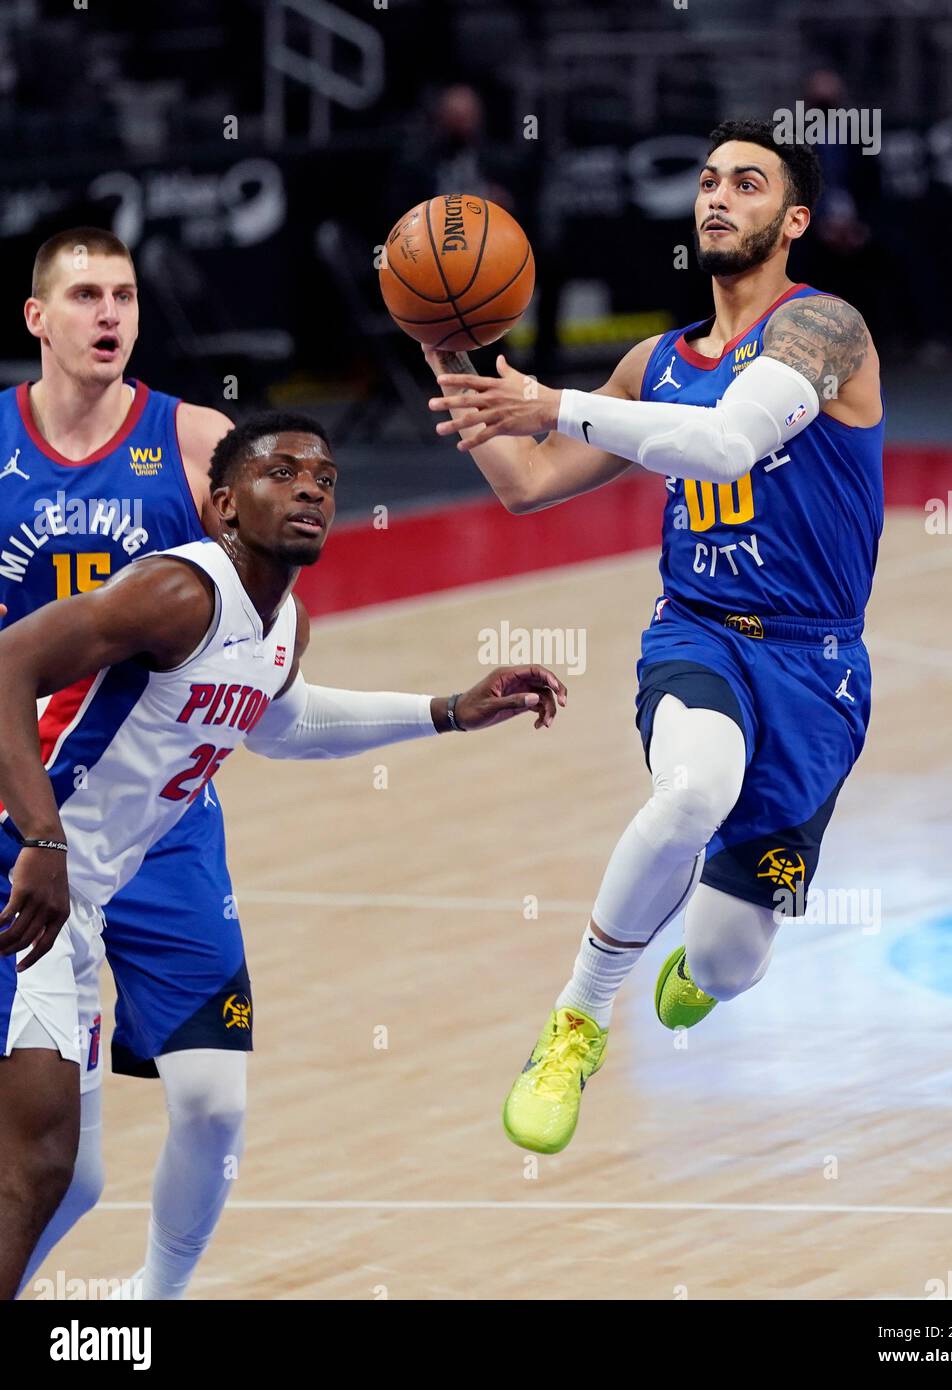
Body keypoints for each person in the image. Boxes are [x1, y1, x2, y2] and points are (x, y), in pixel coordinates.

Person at [0, 411, 565, 1299]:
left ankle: (148, 1304)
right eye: (283, 472)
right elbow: (5, 665)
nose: (310, 488)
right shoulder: (179, 593)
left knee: (65, 1177)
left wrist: (450, 709)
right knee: (37, 1164)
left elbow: (289, 723)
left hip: (82, 894)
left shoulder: (282, 626)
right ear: (223, 504)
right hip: (18, 867)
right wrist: (38, 836)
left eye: (327, 478)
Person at [425, 118, 884, 1154]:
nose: (720, 196)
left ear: (793, 219)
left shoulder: (826, 333)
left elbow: (722, 447)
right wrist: (445, 348)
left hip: (815, 667)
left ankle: (698, 965)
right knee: (688, 790)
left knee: (727, 964)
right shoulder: (654, 362)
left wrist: (552, 399)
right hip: (700, 633)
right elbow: (530, 485)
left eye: (749, 184)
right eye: (710, 180)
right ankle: (578, 1017)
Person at [0, 224, 253, 1298]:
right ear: (38, 319)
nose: (111, 315)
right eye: (88, 295)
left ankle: (151, 1308)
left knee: (211, 1105)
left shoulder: (199, 444)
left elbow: (260, 626)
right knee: (67, 1168)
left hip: (163, 826)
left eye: (127, 296)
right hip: (29, 824)